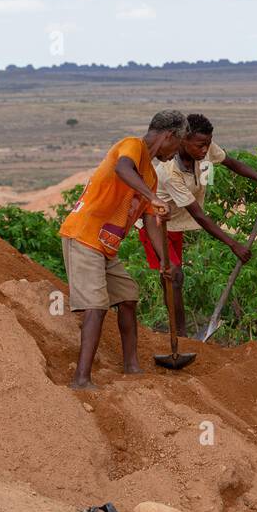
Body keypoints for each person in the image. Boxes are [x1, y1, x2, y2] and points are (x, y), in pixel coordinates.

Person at [58, 110, 185, 389]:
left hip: (105, 246)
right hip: (84, 236)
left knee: (127, 296)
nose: (175, 153)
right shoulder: (132, 146)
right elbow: (122, 170)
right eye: (177, 145)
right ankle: (81, 379)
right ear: (169, 136)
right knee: (96, 305)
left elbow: (151, 220)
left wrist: (166, 261)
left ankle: (131, 367)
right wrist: (153, 197)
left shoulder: (150, 175)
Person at [144, 113, 257, 335]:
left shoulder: (205, 149)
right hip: (157, 224)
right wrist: (233, 244)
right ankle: (179, 336)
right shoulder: (169, 172)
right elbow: (199, 215)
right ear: (183, 140)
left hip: (177, 225)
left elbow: (231, 162)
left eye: (207, 144)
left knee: (173, 278)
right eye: (199, 145)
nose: (204, 150)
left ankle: (176, 331)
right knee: (174, 275)